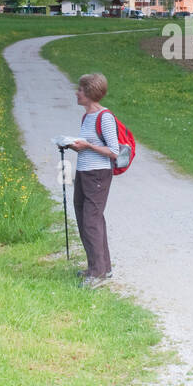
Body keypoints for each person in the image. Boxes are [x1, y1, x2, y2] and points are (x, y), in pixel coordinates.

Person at [69, 72, 119, 287]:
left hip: (98, 174)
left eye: (80, 90)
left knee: (91, 220)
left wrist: (87, 146)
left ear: (89, 93)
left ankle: (97, 274)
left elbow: (114, 151)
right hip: (84, 171)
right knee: (85, 217)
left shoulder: (104, 117)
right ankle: (100, 267)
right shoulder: (87, 116)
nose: (77, 93)